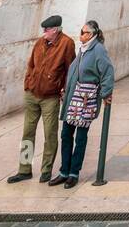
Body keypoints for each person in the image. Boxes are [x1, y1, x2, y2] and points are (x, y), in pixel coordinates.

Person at [8, 14, 75, 184]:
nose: (44, 32)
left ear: (56, 30)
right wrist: (27, 83)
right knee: (27, 133)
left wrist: (64, 90)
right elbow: (31, 65)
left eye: (47, 30)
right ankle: (24, 169)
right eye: (44, 30)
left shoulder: (66, 43)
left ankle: (46, 169)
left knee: (49, 134)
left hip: (50, 97)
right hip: (32, 94)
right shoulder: (40, 43)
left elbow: (70, 69)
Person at [49, 22, 114, 190]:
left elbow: (107, 71)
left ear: (92, 34)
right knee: (66, 134)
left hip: (86, 99)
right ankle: (64, 171)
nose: (81, 35)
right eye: (81, 32)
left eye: (84, 32)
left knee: (80, 137)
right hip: (73, 98)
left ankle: (73, 173)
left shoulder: (98, 49)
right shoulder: (83, 49)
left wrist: (106, 93)